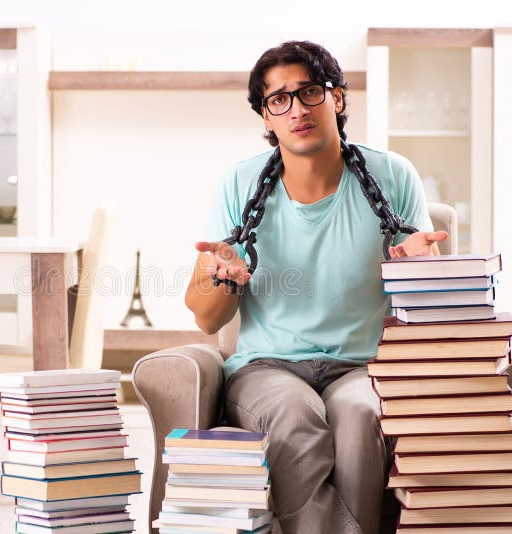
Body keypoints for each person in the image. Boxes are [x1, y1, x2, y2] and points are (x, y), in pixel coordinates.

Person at [184, 41, 448, 534]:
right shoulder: (238, 185)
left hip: (363, 364)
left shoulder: (392, 175)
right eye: (278, 100)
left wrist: (422, 266)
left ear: (338, 99)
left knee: (360, 416)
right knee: (295, 415)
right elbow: (206, 319)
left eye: (309, 92)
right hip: (268, 367)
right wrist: (221, 276)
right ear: (266, 118)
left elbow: (426, 305)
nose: (297, 110)